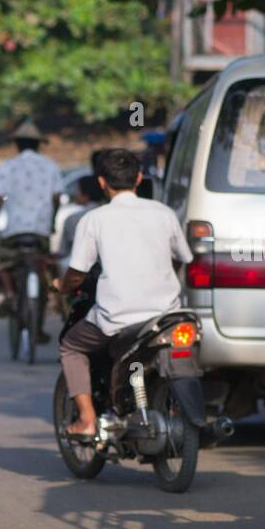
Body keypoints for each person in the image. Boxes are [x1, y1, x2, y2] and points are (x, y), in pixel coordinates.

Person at [58, 148, 192, 439]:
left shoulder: (94, 219)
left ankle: (87, 419)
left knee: (71, 346)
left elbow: (78, 272)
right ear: (139, 178)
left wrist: (61, 286)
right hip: (167, 316)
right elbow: (181, 257)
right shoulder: (164, 213)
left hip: (117, 317)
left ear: (102, 182)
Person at [0, 119, 63, 327]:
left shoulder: (8, 167)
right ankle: (47, 297)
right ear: (39, 144)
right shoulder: (50, 166)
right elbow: (57, 197)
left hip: (15, 230)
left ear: (17, 144)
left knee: (5, 263)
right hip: (40, 231)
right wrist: (52, 221)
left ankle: (11, 294)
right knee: (46, 267)